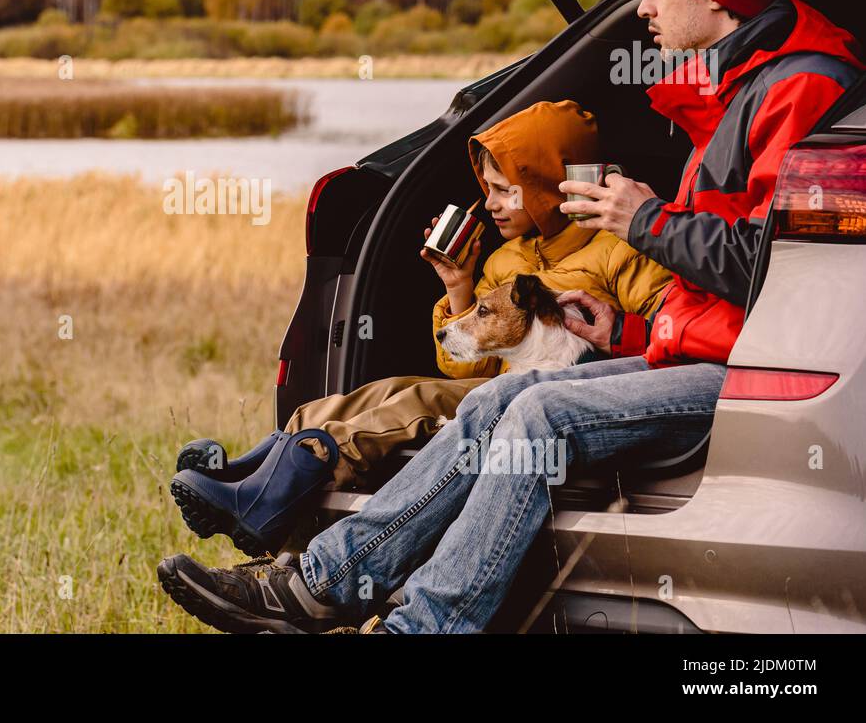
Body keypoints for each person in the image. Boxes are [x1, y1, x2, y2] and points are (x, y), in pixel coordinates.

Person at [156, 0, 865, 633]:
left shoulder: (802, 88)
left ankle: (423, 626)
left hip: (754, 376)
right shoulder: (740, 87)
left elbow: (780, 268)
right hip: (696, 355)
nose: (644, 7)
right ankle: (320, 583)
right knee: (491, 401)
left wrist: (644, 219)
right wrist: (622, 331)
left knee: (539, 410)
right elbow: (723, 283)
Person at [168, 99, 672, 558]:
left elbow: (666, 328)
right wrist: (459, 286)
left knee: (420, 403)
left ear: (543, 186)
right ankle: (250, 474)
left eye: (504, 191)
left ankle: (267, 503)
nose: (491, 204)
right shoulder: (506, 259)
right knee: (383, 390)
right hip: (495, 386)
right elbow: (461, 361)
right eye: (487, 190)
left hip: (552, 395)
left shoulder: (617, 248)